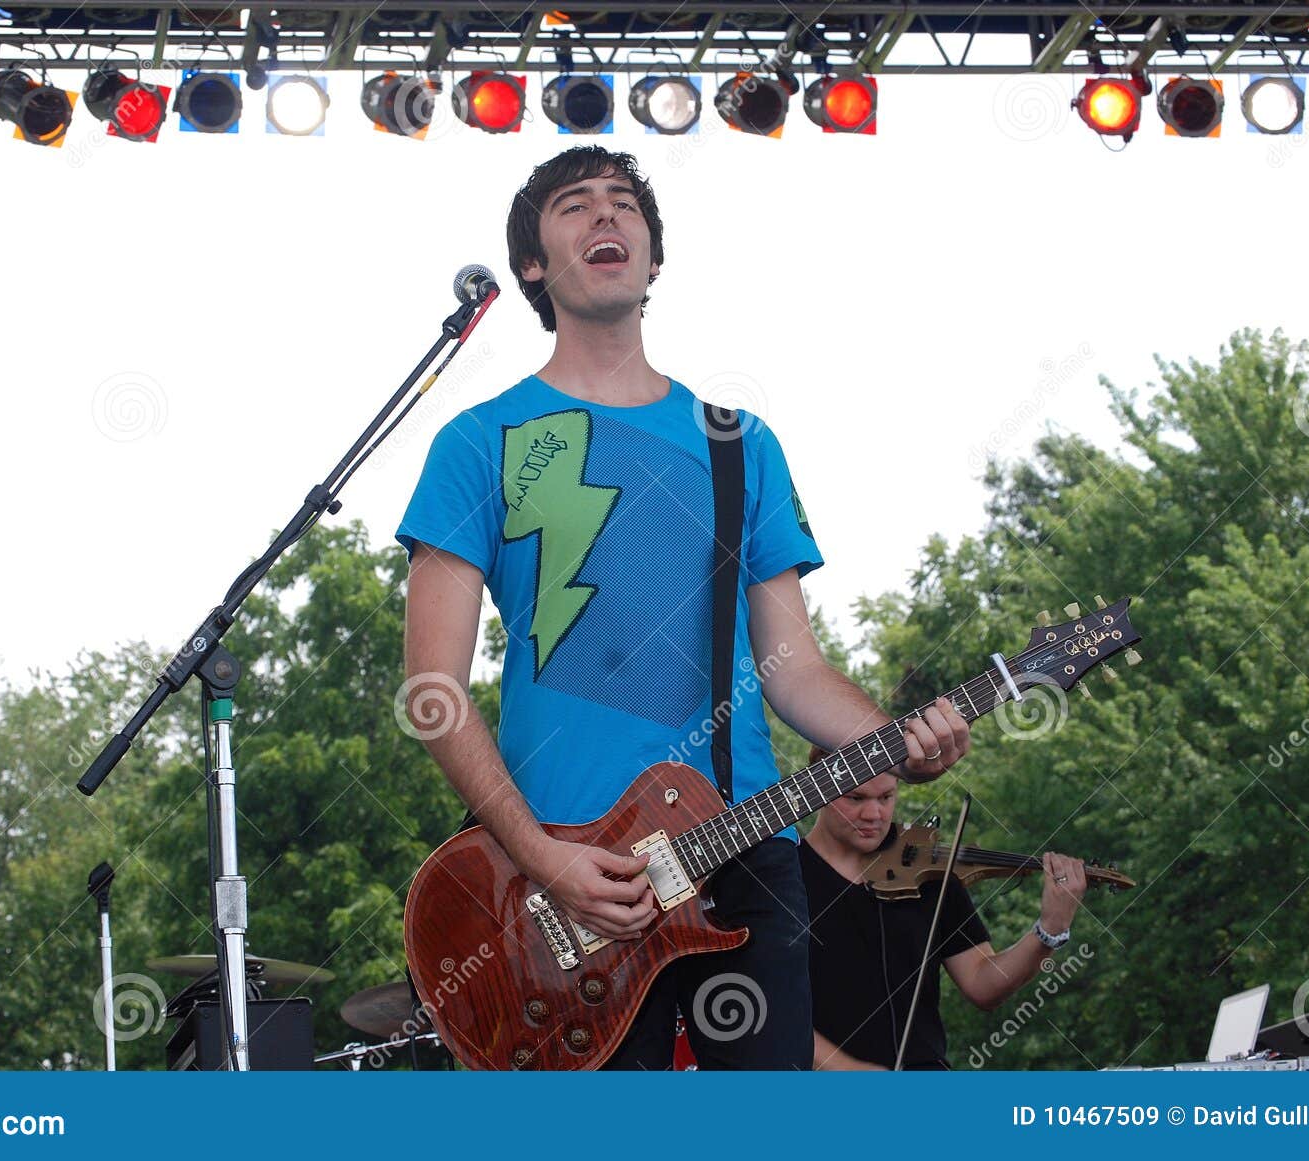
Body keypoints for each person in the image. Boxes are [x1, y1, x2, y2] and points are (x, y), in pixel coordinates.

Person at [395, 145, 970, 1069]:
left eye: (625, 205)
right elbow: (432, 689)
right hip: (567, 874)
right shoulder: (477, 443)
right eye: (576, 206)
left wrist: (896, 738)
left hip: (744, 858)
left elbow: (798, 669)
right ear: (533, 265)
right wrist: (544, 857)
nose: (607, 218)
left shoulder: (742, 445)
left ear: (654, 259)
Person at [801, 765, 1088, 1069]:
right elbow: (766, 1006)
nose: (874, 814)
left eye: (886, 797)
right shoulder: (781, 878)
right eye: (855, 798)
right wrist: (846, 1070)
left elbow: (982, 984)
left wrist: (1049, 930)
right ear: (817, 790)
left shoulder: (926, 869)